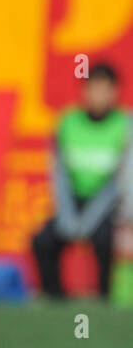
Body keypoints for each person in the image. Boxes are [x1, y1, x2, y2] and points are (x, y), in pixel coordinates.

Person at [32, 62, 130, 299]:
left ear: (115, 92)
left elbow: (122, 179)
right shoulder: (68, 122)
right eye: (93, 88)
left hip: (108, 207)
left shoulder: (125, 125)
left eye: (105, 89)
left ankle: (104, 297)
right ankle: (54, 297)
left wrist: (90, 222)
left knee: (105, 239)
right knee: (42, 239)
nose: (98, 96)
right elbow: (59, 173)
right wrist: (68, 218)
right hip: (73, 203)